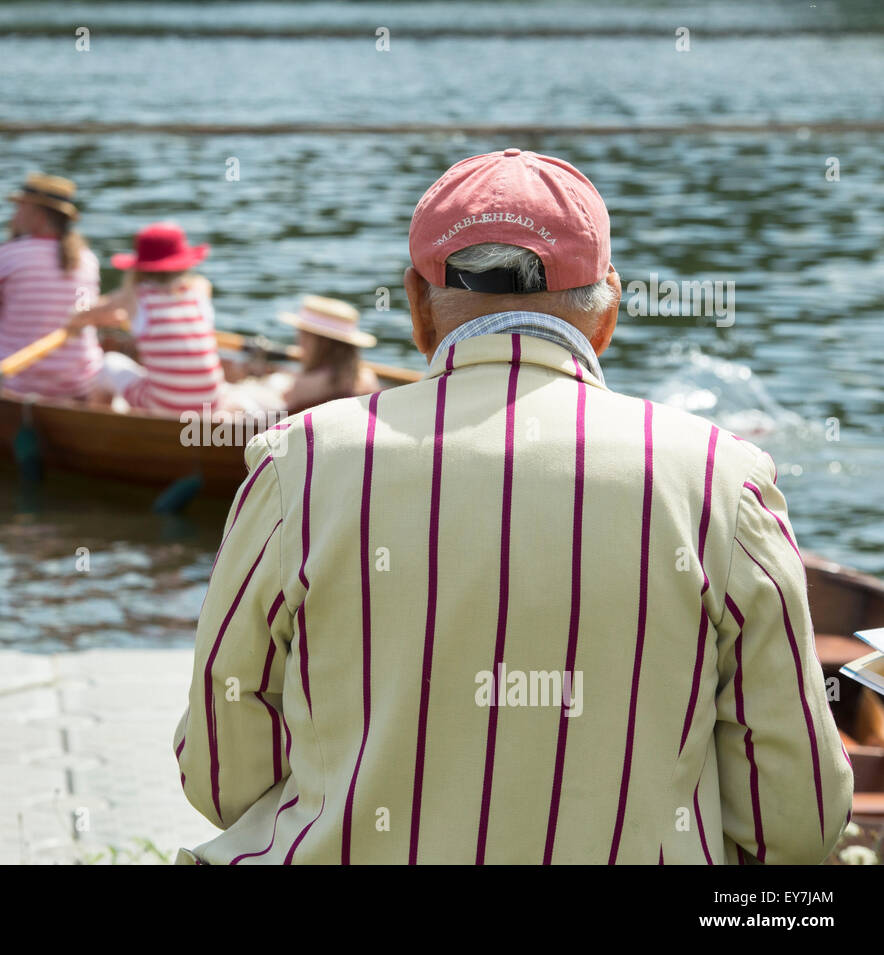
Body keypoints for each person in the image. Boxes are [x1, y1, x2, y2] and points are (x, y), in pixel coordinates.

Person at [173, 148, 853, 864]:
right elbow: (799, 815)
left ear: (416, 303)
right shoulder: (722, 476)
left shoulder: (298, 463)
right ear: (608, 310)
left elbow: (221, 772)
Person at [0, 173, 104, 399]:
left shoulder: (4, 256)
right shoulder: (88, 260)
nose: (14, 216)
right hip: (78, 383)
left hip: (13, 382)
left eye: (20, 208)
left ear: (38, 215)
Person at [71, 221, 224, 415]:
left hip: (163, 407)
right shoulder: (200, 288)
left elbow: (89, 312)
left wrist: (73, 319)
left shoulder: (136, 296)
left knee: (109, 364)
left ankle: (100, 429)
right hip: (211, 404)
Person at [222, 295, 380, 417]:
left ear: (320, 343)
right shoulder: (366, 378)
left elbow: (284, 405)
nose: (299, 341)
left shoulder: (304, 386)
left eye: (304, 335)